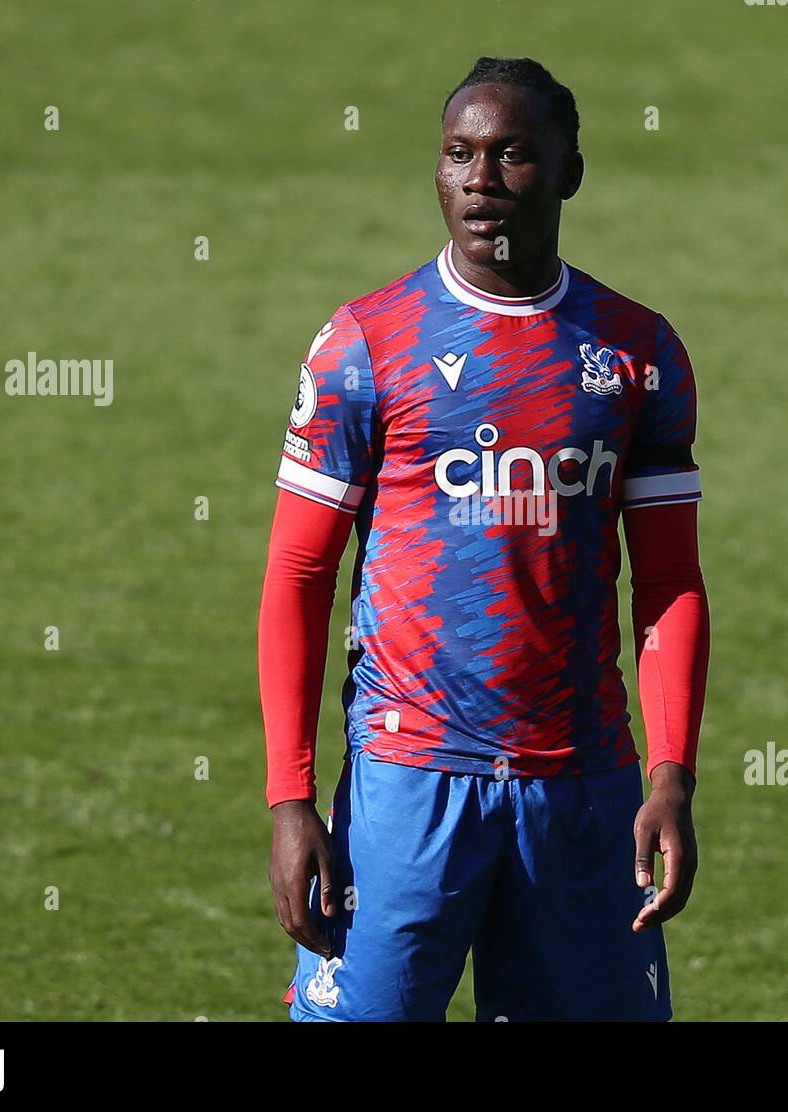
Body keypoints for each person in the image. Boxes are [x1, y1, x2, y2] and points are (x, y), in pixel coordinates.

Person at [259, 56, 710, 1021]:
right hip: (407, 781)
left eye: (512, 155)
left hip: (583, 785)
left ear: (569, 173)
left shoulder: (638, 353)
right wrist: (290, 798)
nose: (480, 180)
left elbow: (670, 580)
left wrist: (671, 773)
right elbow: (299, 573)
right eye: (459, 153)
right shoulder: (365, 346)